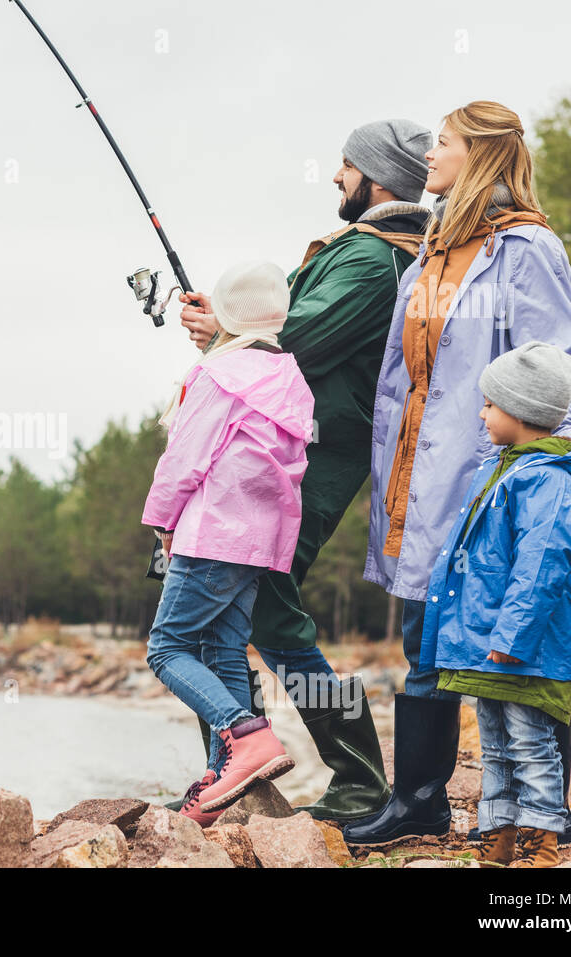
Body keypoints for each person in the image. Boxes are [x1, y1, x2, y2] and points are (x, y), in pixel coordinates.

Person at [346, 101, 571, 847]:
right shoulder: (437, 244)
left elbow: (562, 355)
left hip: (490, 472)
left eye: (445, 144)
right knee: (425, 629)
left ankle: (543, 814)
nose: (430, 155)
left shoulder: (524, 249)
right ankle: (420, 802)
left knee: (514, 636)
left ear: (480, 157)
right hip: (418, 463)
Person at [173, 120, 432, 821]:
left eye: (347, 167)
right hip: (287, 451)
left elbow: (295, 336)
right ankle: (237, 768)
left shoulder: (372, 260)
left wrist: (223, 335)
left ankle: (351, 775)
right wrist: (222, 322)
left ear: (378, 180)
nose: (336, 178)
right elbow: (274, 321)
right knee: (237, 605)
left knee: (261, 604)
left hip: (308, 456)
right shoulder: (362, 250)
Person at [143, 260, 315, 825]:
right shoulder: (291, 379)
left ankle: (250, 737)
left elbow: (185, 458)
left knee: (167, 648)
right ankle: (224, 777)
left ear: (226, 318)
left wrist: (163, 521)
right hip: (260, 542)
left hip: (212, 532)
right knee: (223, 651)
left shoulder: (218, 376)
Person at [422, 342, 571, 866]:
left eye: (488, 405)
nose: (481, 413)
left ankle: (541, 840)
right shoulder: (502, 469)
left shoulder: (549, 481)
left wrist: (511, 638)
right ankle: (497, 835)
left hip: (525, 648)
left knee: (530, 742)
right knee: (496, 743)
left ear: (520, 412)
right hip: (489, 642)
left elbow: (541, 566)